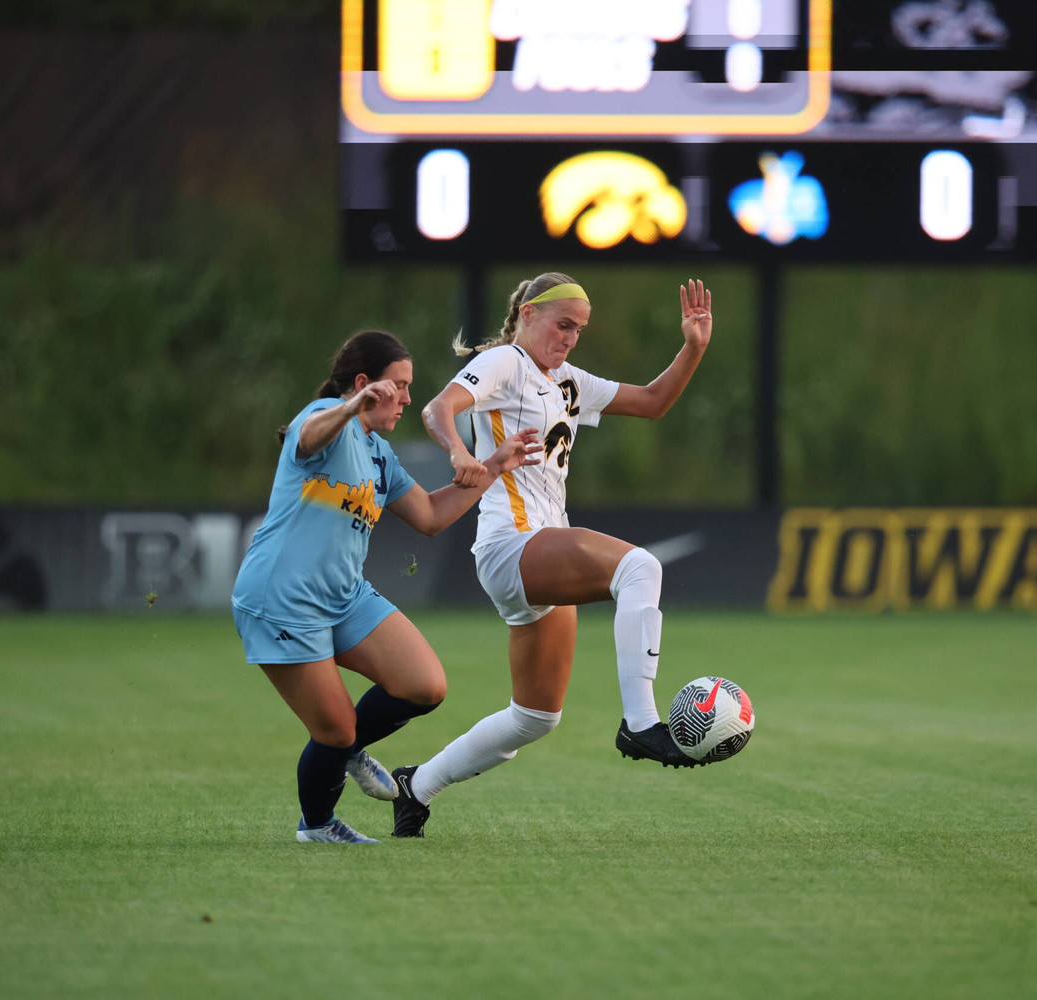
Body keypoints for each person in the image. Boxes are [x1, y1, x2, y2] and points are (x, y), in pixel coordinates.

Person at [390, 274, 714, 838]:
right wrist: (460, 450)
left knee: (535, 717)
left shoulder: (564, 380)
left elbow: (654, 402)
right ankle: (641, 723)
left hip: (538, 552)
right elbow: (439, 408)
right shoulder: (507, 363)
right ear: (526, 316)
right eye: (563, 324)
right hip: (512, 544)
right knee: (641, 567)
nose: (570, 338)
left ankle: (415, 788)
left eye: (579, 330)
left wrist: (692, 347)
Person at [232, 329, 541, 844]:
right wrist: (350, 406)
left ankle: (348, 749)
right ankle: (318, 825)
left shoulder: (378, 452)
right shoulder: (322, 418)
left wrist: (493, 468)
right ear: (362, 384)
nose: (407, 398)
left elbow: (430, 516)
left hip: (343, 595)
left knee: (424, 685)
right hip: (283, 599)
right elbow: (308, 438)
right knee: (334, 730)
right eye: (398, 386)